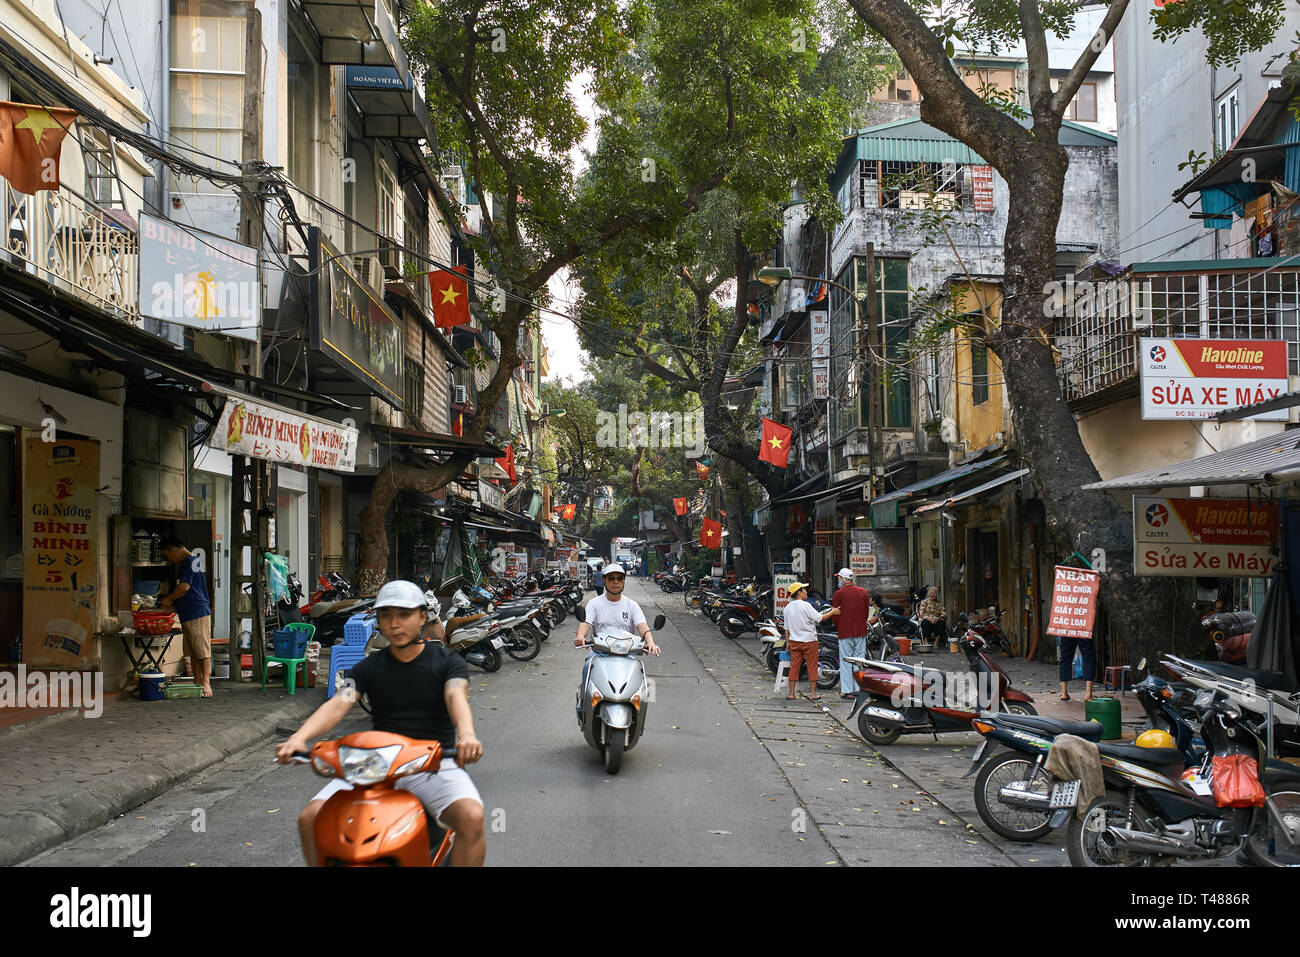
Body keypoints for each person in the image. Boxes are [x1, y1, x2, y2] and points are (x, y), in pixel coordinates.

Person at [275, 580, 486, 866]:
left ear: (422, 617)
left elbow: (455, 696)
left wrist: (467, 735)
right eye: (386, 615)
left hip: (434, 764)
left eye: (404, 615)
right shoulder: (368, 667)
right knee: (310, 818)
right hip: (377, 765)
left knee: (471, 818)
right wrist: (299, 738)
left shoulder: (448, 662)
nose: (394, 623)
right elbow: (339, 704)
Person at [575, 564, 661, 694]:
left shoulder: (632, 605)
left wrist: (650, 643)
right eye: (611, 578)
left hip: (627, 653)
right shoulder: (594, 603)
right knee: (588, 666)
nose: (615, 582)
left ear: (623, 581)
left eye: (619, 578)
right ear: (604, 580)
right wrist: (580, 636)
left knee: (641, 682)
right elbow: (586, 623)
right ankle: (583, 701)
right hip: (600, 652)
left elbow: (642, 626)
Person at [158, 536, 213, 697]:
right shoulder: (191, 561)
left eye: (168, 555)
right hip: (188, 613)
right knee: (194, 651)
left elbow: (184, 587)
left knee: (202, 650)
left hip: (196, 612)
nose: (169, 559)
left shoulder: (190, 562)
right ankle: (197, 682)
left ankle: (206, 683)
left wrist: (169, 599)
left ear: (173, 550)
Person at [782, 582, 839, 701]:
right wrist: (833, 612)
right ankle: (814, 694)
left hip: (794, 642)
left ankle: (791, 694)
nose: (806, 592)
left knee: (794, 667)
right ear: (799, 593)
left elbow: (786, 629)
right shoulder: (806, 605)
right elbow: (820, 618)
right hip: (809, 641)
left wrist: (788, 643)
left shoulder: (787, 608)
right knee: (812, 667)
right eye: (804, 590)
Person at [831, 568, 870, 699]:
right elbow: (865, 613)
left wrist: (840, 626)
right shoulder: (863, 592)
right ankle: (859, 689)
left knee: (846, 661)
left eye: (838, 578)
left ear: (843, 579)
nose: (838, 580)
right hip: (860, 630)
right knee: (859, 661)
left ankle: (848, 691)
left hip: (845, 631)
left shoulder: (838, 594)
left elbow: (835, 615)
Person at [1058, 634, 1096, 702]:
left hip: (1067, 629)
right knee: (1089, 657)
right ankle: (1088, 694)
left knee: (1065, 657)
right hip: (1083, 628)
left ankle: (1064, 693)